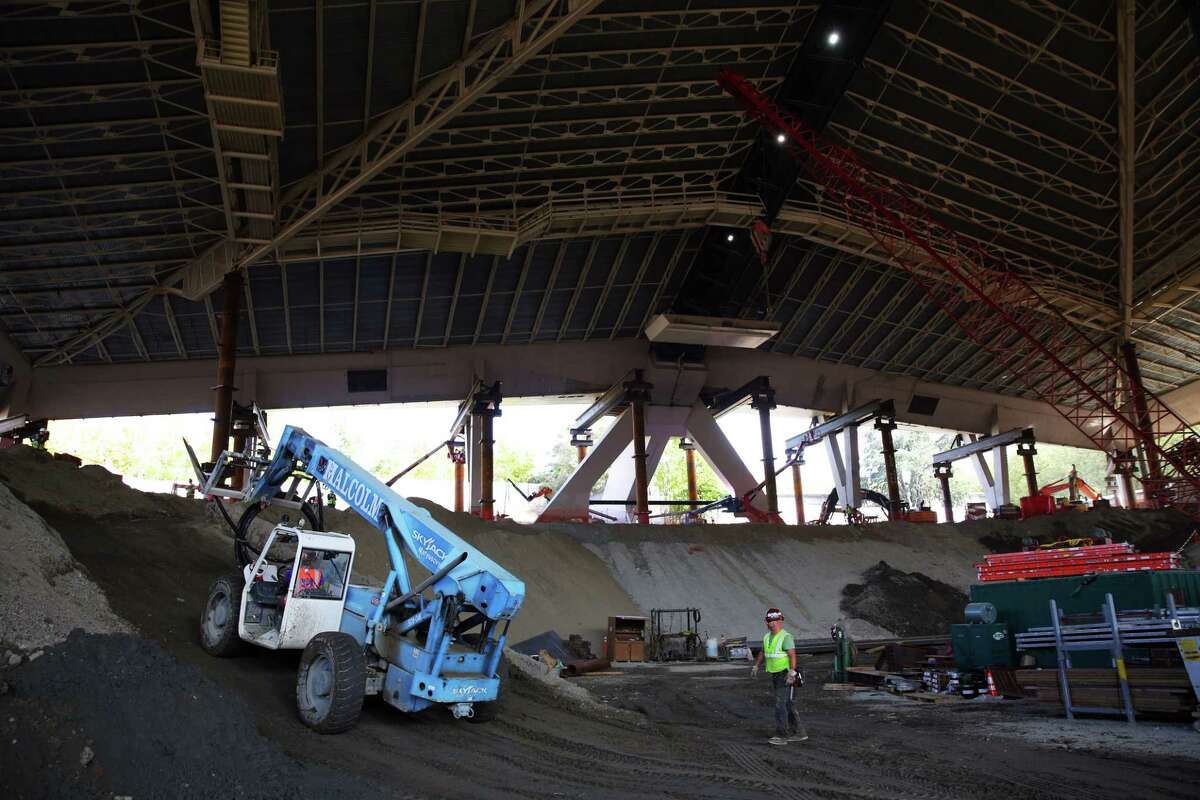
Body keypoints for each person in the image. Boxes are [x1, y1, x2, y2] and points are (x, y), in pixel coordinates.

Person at [750, 607, 807, 746]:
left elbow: (792, 655)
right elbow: (763, 652)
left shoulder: (785, 637)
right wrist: (756, 665)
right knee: (787, 703)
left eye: (771, 620)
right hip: (776, 674)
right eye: (768, 621)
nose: (769, 623)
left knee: (780, 704)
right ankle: (799, 732)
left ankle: (782, 735)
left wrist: (792, 672)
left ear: (778, 621)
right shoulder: (767, 637)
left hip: (785, 674)